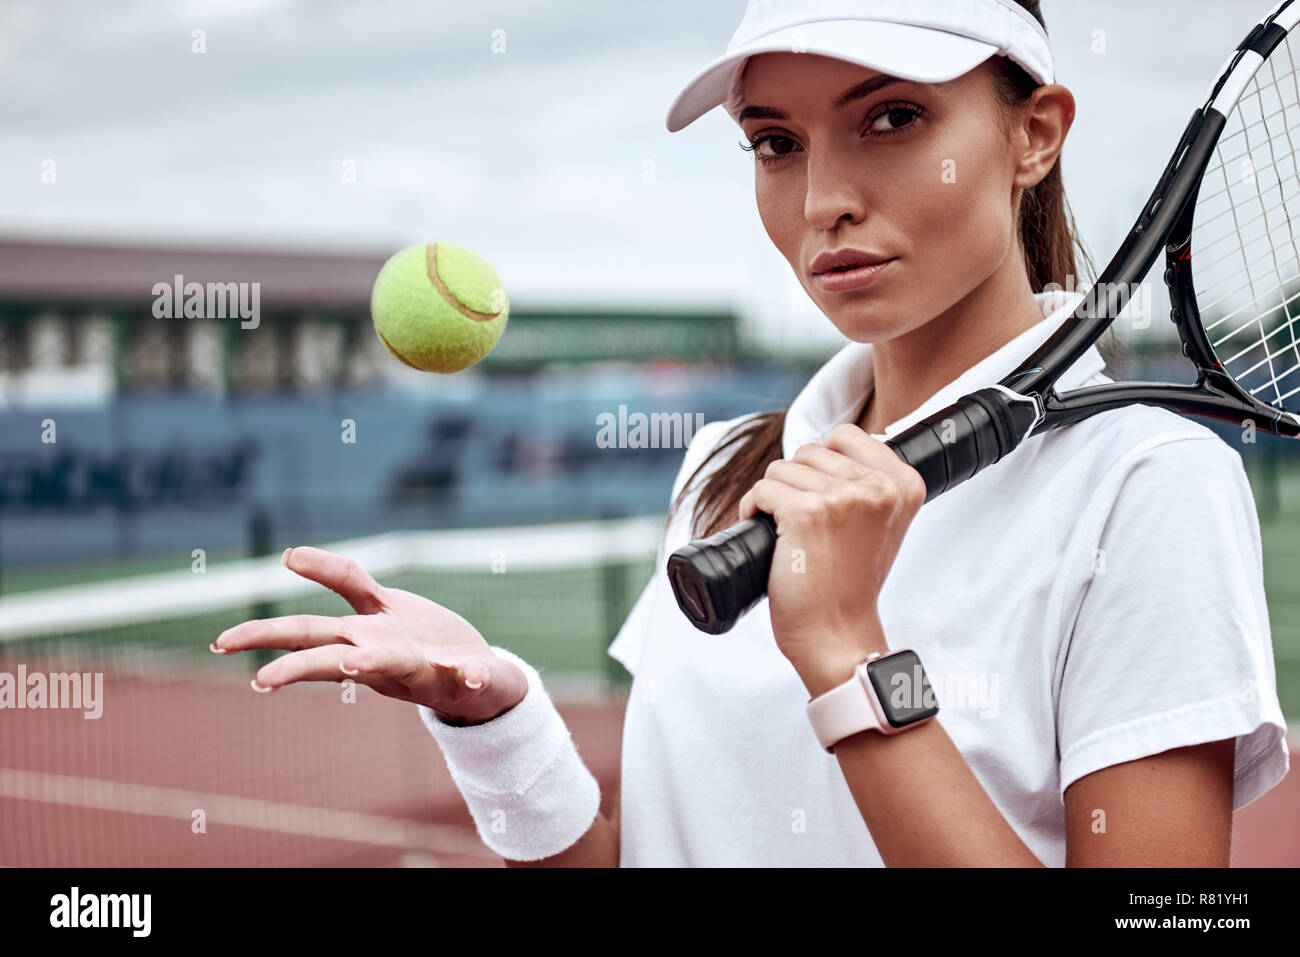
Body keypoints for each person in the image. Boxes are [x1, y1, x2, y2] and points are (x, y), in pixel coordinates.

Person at [212, 0, 1290, 866]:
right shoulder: (729, 467)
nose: (822, 198)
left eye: (891, 118)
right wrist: (494, 716)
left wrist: (851, 661)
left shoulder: (1146, 483)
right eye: (775, 143)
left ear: (1032, 134)